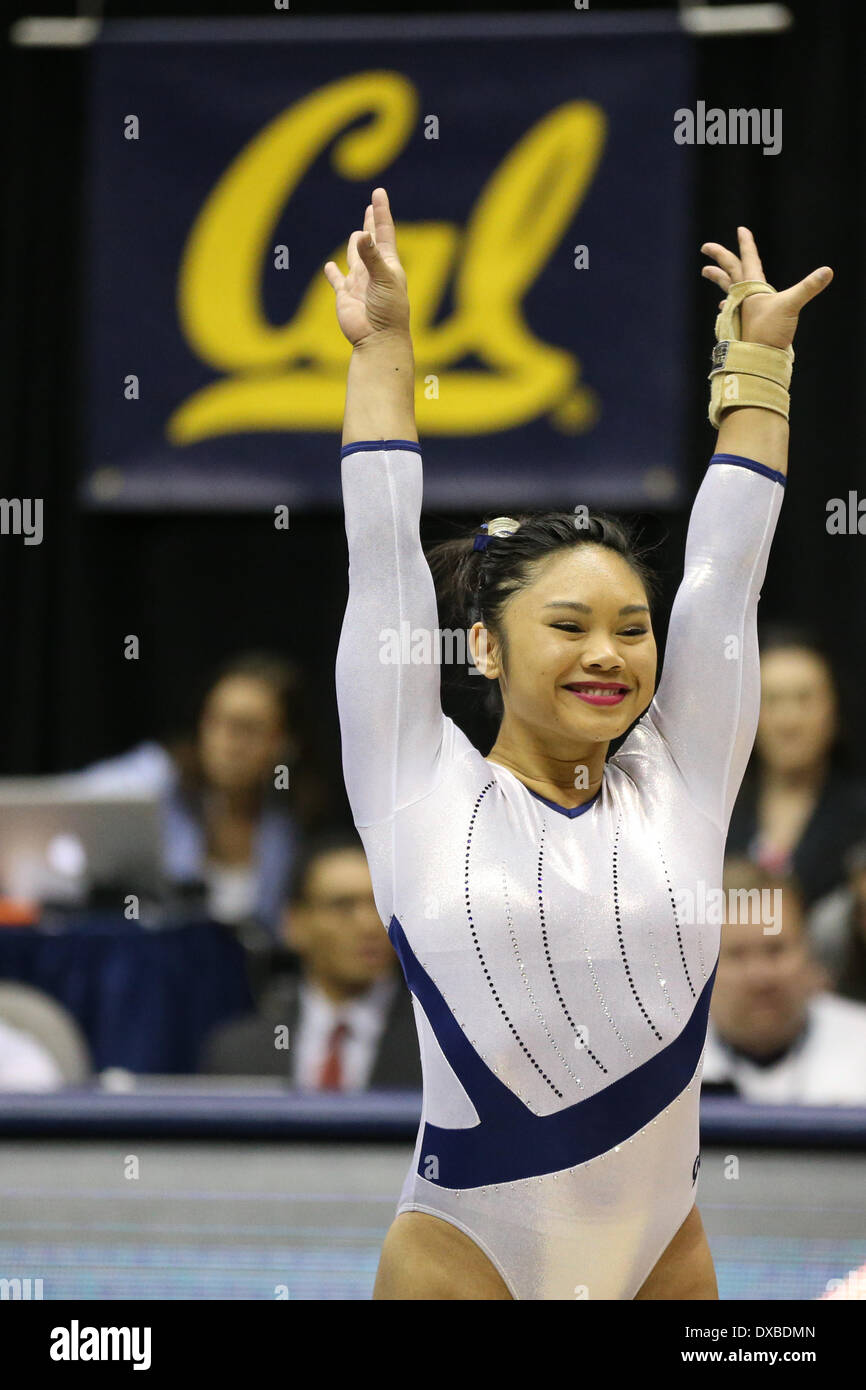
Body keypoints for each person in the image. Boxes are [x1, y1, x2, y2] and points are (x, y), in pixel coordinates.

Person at [325, 187, 833, 1299]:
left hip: (662, 1253)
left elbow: (724, 572)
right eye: (566, 627)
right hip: (465, 1251)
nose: (608, 653)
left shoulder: (683, 778)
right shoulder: (416, 785)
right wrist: (386, 349)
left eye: (629, 629)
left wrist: (756, 369)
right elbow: (381, 558)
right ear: (484, 649)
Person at [69, 651, 328, 937]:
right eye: (214, 722)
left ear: (284, 744)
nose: (225, 742)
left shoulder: (292, 825)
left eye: (246, 729)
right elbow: (56, 806)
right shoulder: (155, 780)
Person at [198, 829, 420, 1088]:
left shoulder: (440, 1051)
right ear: (294, 924)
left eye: (381, 906)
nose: (369, 925)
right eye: (343, 905)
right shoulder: (236, 1054)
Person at [703, 856, 866, 1104]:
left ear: (810, 951)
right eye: (737, 955)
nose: (760, 977)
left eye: (775, 950)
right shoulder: (664, 1066)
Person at [726, 625, 866, 908]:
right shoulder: (717, 813)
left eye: (805, 699)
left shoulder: (859, 814)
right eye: (772, 700)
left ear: (835, 709)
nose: (789, 721)